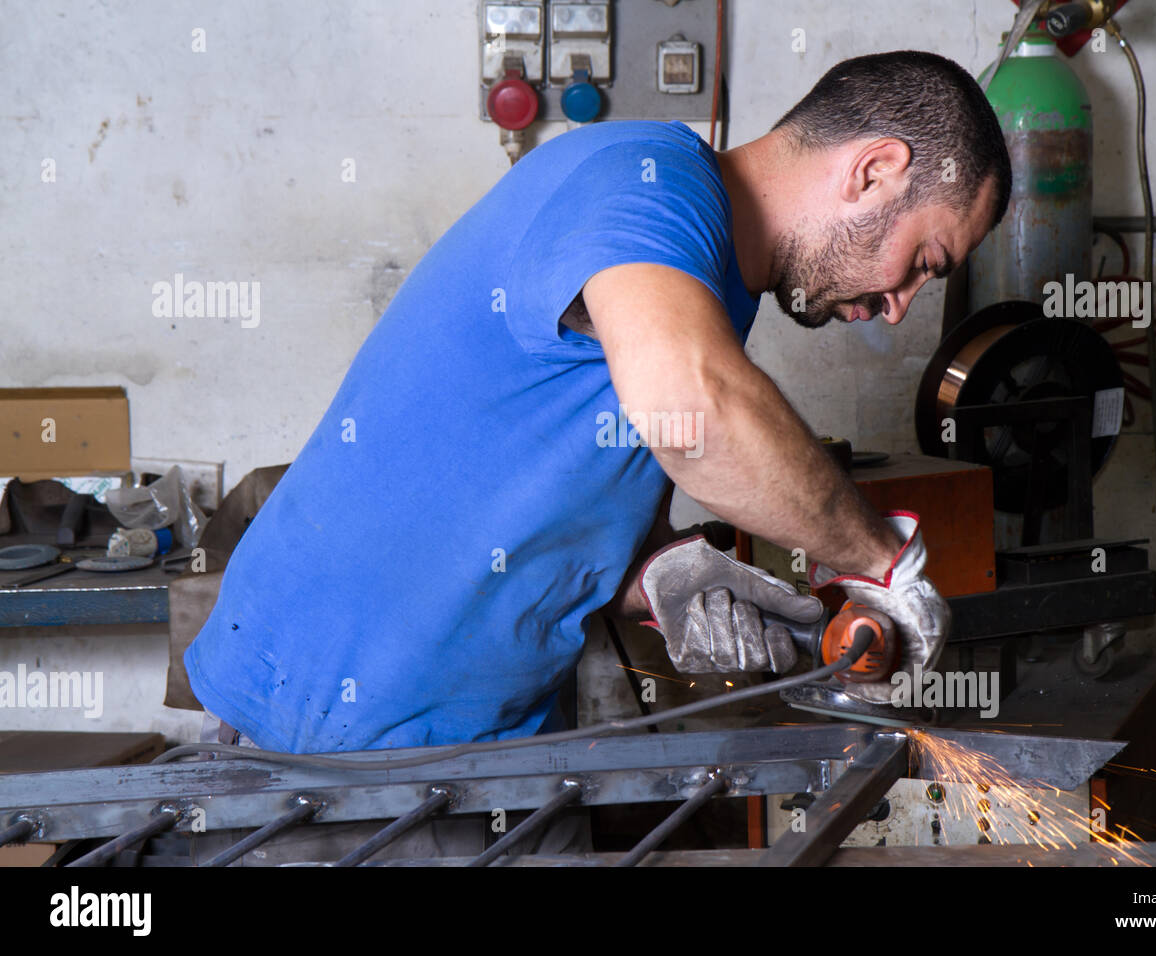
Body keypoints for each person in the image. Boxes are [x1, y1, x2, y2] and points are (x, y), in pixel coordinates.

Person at [185, 50, 1011, 756]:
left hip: (488, 735)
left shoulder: (708, 280)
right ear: (873, 173)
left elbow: (582, 491)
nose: (902, 306)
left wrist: (670, 577)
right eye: (925, 259)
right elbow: (697, 412)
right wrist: (882, 562)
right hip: (347, 727)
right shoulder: (647, 184)